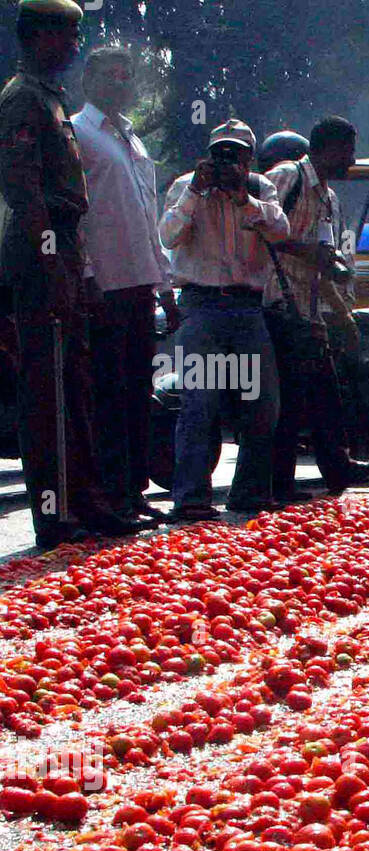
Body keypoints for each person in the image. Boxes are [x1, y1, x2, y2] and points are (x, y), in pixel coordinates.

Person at [0, 0, 143, 548]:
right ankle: (55, 511)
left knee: (75, 382)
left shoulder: (50, 99)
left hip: (62, 249)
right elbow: (25, 191)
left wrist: (76, 269)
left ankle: (84, 498)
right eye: (67, 35)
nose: (74, 45)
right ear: (38, 36)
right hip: (41, 252)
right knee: (50, 389)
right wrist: (52, 263)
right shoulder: (21, 100)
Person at [159, 118, 289, 519]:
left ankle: (249, 493)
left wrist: (241, 197)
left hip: (248, 307)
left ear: (249, 159)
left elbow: (280, 229)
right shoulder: (186, 186)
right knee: (200, 403)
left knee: (262, 404)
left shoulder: (260, 189)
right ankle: (192, 498)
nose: (227, 161)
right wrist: (198, 192)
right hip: (201, 305)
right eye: (221, 153)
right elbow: (167, 236)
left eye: (236, 154)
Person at [73, 44, 175, 527]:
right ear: (89, 82)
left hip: (141, 282)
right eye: (110, 77)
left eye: (124, 77)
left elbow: (147, 216)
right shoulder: (77, 132)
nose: (119, 84)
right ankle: (110, 495)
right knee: (108, 395)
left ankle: (134, 493)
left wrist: (165, 285)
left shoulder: (133, 141)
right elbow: (75, 215)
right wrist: (87, 275)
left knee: (138, 392)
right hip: (105, 284)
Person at [262, 117, 369, 502]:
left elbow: (325, 259)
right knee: (290, 399)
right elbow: (259, 229)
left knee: (327, 392)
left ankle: (338, 468)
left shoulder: (329, 199)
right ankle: (280, 483)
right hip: (276, 302)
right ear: (326, 149)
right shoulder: (286, 178)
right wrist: (304, 250)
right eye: (347, 151)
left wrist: (341, 312)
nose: (351, 160)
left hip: (308, 309)